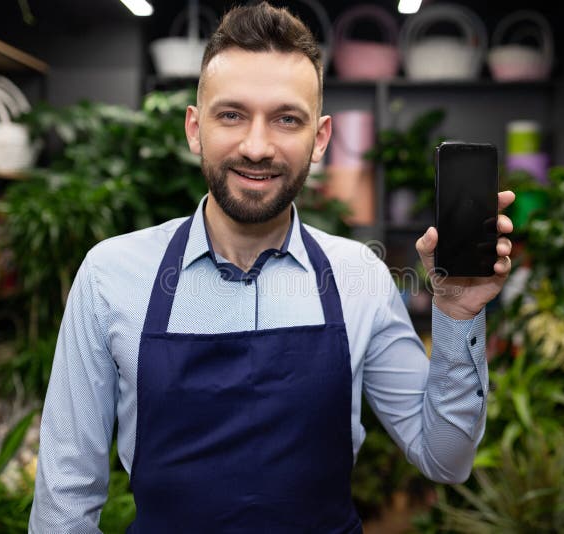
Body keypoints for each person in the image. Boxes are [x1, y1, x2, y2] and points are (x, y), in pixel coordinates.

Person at [29, 2, 515, 532]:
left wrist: (458, 316)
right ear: (195, 128)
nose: (256, 147)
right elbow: (65, 501)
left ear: (320, 139)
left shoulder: (360, 276)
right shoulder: (110, 275)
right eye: (231, 114)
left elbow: (445, 458)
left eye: (286, 119)